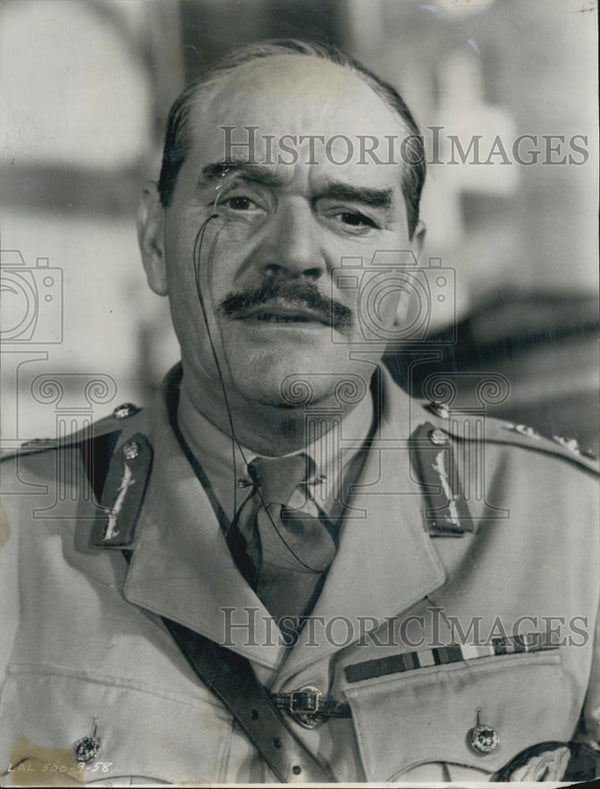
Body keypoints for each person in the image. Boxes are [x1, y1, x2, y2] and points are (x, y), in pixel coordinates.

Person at [0, 39, 598, 785]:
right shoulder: (16, 534)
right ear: (154, 239)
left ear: (409, 270)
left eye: (349, 215)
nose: (294, 253)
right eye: (239, 202)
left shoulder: (575, 528)